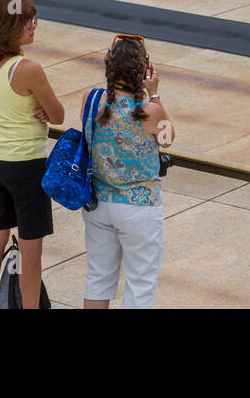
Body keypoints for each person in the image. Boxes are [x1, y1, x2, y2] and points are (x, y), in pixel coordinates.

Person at [0, 0, 64, 308]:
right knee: (30, 250)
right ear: (11, 28)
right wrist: (41, 106)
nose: (33, 28)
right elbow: (58, 115)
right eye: (28, 23)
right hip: (27, 165)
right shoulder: (28, 68)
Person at [83, 35, 174, 309]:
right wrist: (154, 93)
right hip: (139, 207)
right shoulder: (148, 111)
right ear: (142, 71)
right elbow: (168, 138)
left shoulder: (91, 99)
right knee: (140, 285)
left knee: (98, 278)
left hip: (98, 203)